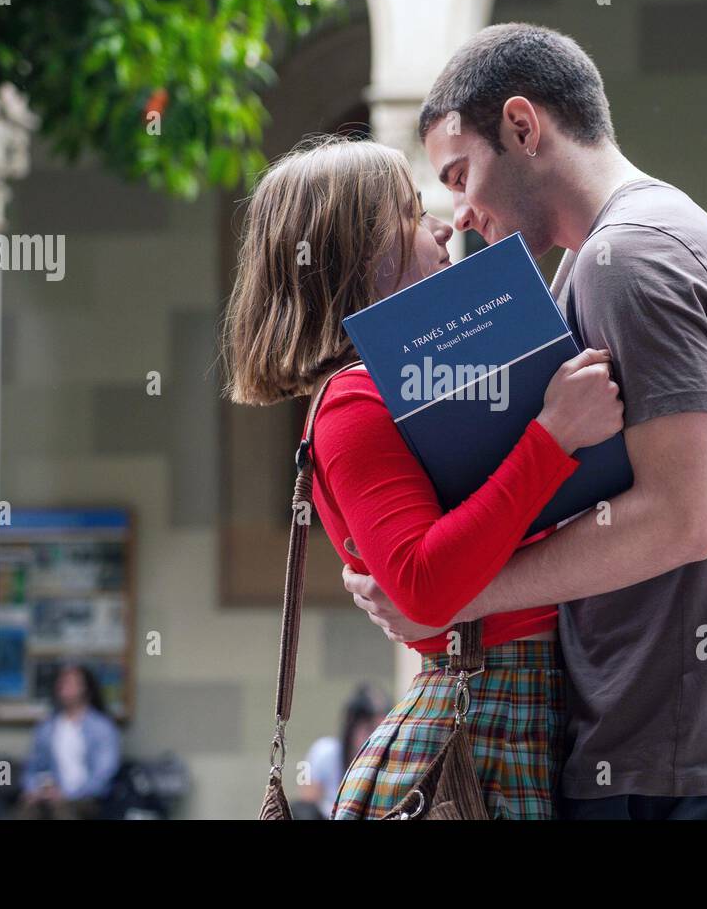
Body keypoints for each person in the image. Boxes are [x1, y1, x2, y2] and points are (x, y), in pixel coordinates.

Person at [344, 23, 707, 820]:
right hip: (684, 753)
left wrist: (459, 596)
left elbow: (680, 519)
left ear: (524, 127)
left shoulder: (625, 259)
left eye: (461, 175)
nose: (457, 215)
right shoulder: (641, 244)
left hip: (668, 764)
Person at [223, 135, 624, 818]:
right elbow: (424, 582)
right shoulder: (352, 400)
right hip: (479, 729)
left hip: (503, 715)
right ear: (359, 254)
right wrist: (553, 436)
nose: (442, 226)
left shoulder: (390, 389)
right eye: (411, 214)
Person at [18, 664, 121, 819]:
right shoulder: (47, 727)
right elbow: (33, 766)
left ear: (86, 689)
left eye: (71, 683)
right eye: (62, 682)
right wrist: (34, 789)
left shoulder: (102, 728)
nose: (64, 687)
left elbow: (102, 776)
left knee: (63, 811)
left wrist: (67, 793)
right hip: (50, 794)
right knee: (27, 809)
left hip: (87, 797)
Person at [295, 683, 390, 819]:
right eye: (369, 728)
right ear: (351, 728)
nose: (376, 738)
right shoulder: (322, 751)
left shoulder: (389, 761)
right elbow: (305, 799)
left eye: (382, 731)